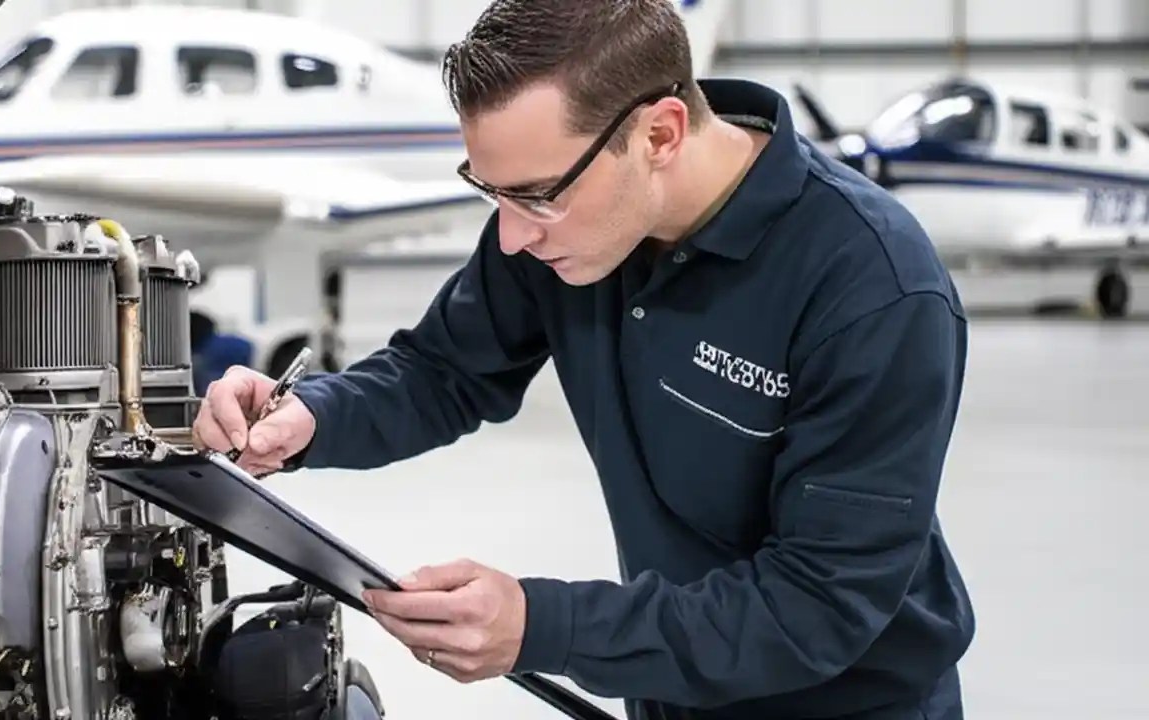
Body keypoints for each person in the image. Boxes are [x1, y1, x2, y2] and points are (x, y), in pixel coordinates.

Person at [191, 0, 976, 717]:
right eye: (488, 192)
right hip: (668, 688)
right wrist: (312, 416)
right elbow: (444, 369)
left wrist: (545, 626)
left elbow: (817, 605)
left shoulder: (874, 286)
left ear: (660, 134)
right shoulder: (562, 223)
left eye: (534, 196)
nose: (510, 238)